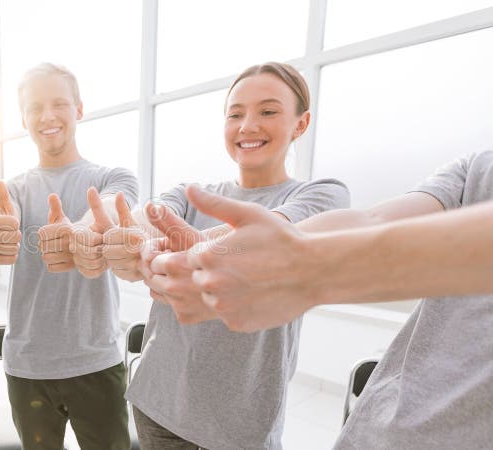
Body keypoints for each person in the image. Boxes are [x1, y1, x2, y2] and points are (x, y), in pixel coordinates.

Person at [102, 62, 350, 449]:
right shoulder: (191, 192)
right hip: (159, 404)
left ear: (300, 124)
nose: (247, 125)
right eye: (235, 114)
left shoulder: (322, 195)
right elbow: (147, 220)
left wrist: (190, 248)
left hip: (242, 424)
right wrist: (131, 238)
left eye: (267, 111)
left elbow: (263, 237)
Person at [183, 152, 493, 448]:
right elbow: (373, 220)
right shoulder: (477, 169)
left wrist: (300, 267)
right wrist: (216, 256)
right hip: (378, 433)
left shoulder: (319, 191)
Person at [0, 62, 138, 449]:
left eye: (59, 104)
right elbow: (2, 214)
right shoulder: (12, 190)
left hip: (96, 363)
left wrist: (82, 230)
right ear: (24, 118)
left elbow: (104, 208)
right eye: (35, 107)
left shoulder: (113, 177)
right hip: (27, 366)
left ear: (79, 109)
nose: (47, 116)